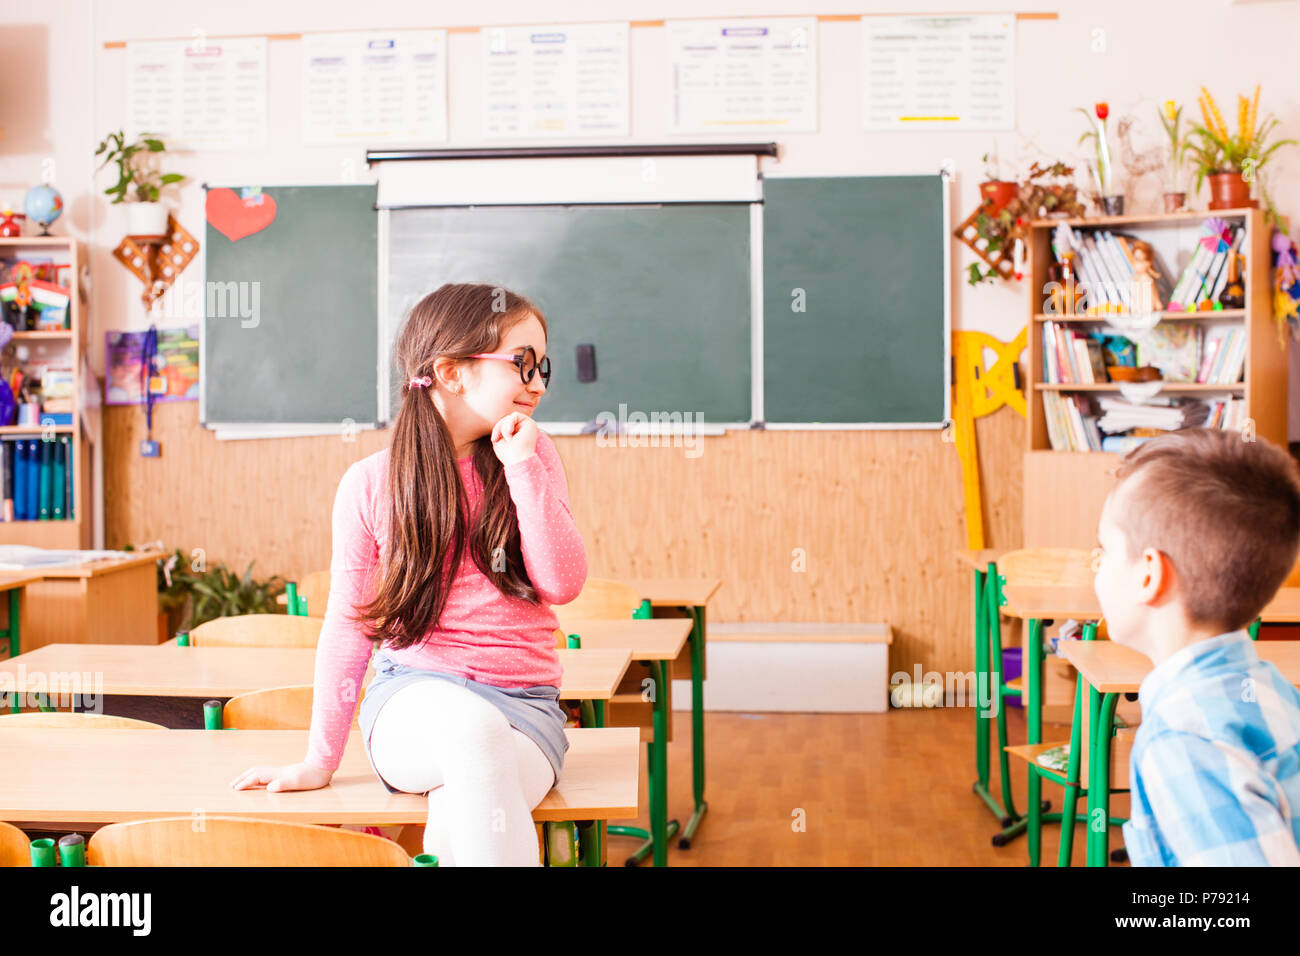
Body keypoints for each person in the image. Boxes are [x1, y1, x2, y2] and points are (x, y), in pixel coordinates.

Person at [231, 283, 587, 866]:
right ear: (451, 372)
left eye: (542, 365)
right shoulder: (371, 483)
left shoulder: (531, 459)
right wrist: (320, 762)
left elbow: (562, 584)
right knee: (472, 737)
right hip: (412, 702)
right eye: (522, 364)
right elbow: (348, 625)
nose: (539, 383)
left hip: (525, 710)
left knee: (458, 813)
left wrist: (524, 469)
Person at [1093, 426, 1300, 865]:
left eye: (1104, 551)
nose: (1096, 567)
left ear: (1149, 576)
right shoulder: (1272, 690)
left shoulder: (1183, 740)